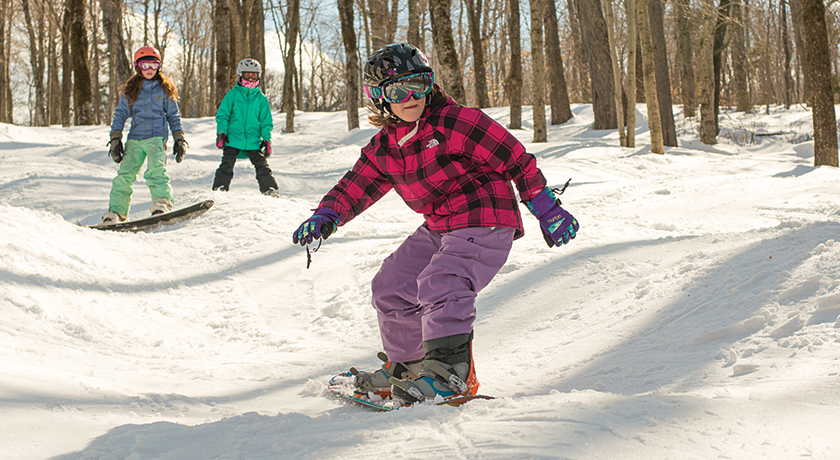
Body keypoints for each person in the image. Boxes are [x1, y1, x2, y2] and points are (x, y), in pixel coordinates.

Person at [292, 43, 579, 405]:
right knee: (392, 285)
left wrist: (545, 206)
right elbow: (356, 185)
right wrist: (327, 214)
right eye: (398, 91)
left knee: (443, 281)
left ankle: (450, 374)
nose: (411, 97)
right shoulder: (386, 147)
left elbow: (514, 158)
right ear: (379, 97)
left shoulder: (456, 122)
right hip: (442, 224)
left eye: (419, 85)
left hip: (484, 217)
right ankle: (411, 367)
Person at [104, 45, 187, 224]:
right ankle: (116, 212)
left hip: (156, 137)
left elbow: (174, 116)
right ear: (137, 67)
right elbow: (120, 114)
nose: (149, 69)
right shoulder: (131, 90)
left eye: (153, 65)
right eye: (145, 65)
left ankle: (162, 204)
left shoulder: (164, 89)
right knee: (124, 175)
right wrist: (115, 138)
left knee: (156, 171)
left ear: (159, 66)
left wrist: (179, 139)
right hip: (135, 139)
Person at [212, 58, 279, 198]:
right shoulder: (232, 94)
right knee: (226, 164)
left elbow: (266, 122)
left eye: (254, 75)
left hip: (253, 140)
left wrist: (267, 140)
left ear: (259, 76)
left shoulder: (261, 99)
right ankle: (219, 188)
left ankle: (269, 189)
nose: (251, 78)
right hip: (233, 138)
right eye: (247, 75)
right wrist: (221, 132)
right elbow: (222, 115)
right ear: (240, 75)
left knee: (262, 166)